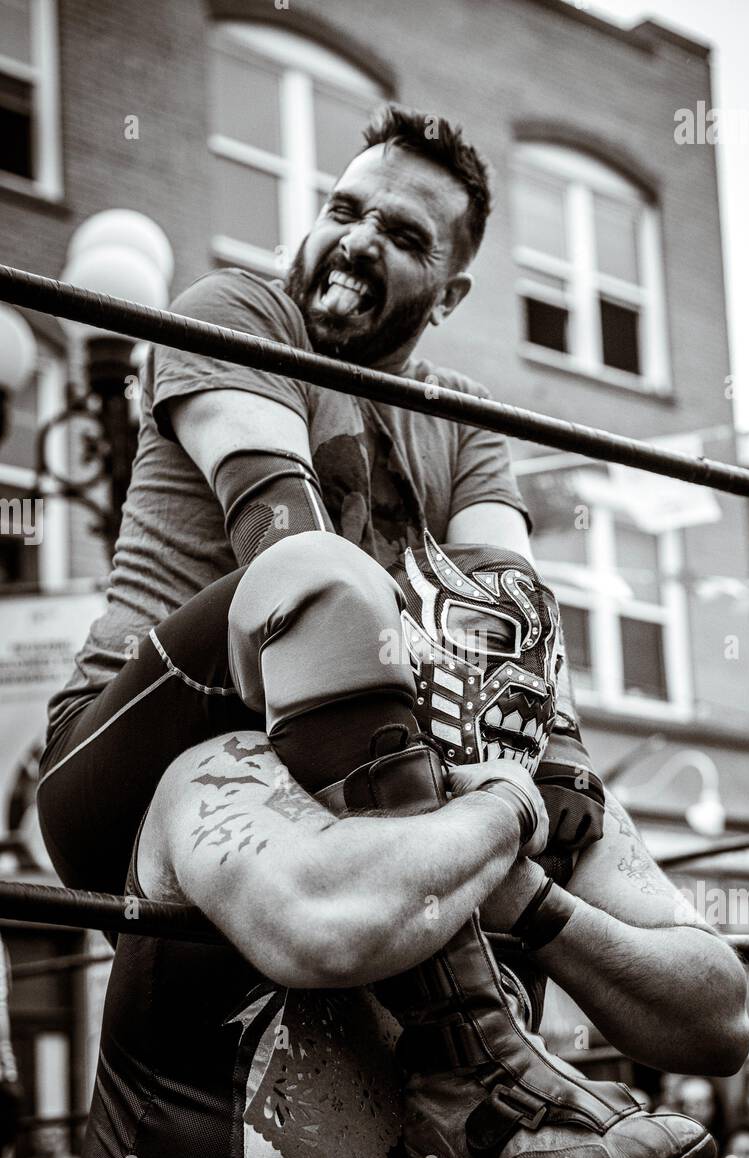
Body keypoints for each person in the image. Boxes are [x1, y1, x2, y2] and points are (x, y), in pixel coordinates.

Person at [67, 533, 748, 1158]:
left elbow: (719, 1017)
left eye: (529, 660)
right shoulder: (226, 769)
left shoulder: (544, 810)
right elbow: (324, 925)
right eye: (481, 644)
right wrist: (496, 815)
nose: (507, 687)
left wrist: (530, 896)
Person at [38, 103, 603, 904]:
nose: (360, 238)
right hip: (125, 747)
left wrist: (561, 752)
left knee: (561, 805)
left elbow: (504, 614)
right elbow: (283, 547)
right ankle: (471, 999)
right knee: (317, 578)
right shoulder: (237, 311)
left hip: (349, 752)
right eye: (344, 210)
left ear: (449, 296)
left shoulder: (464, 416)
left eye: (404, 237)